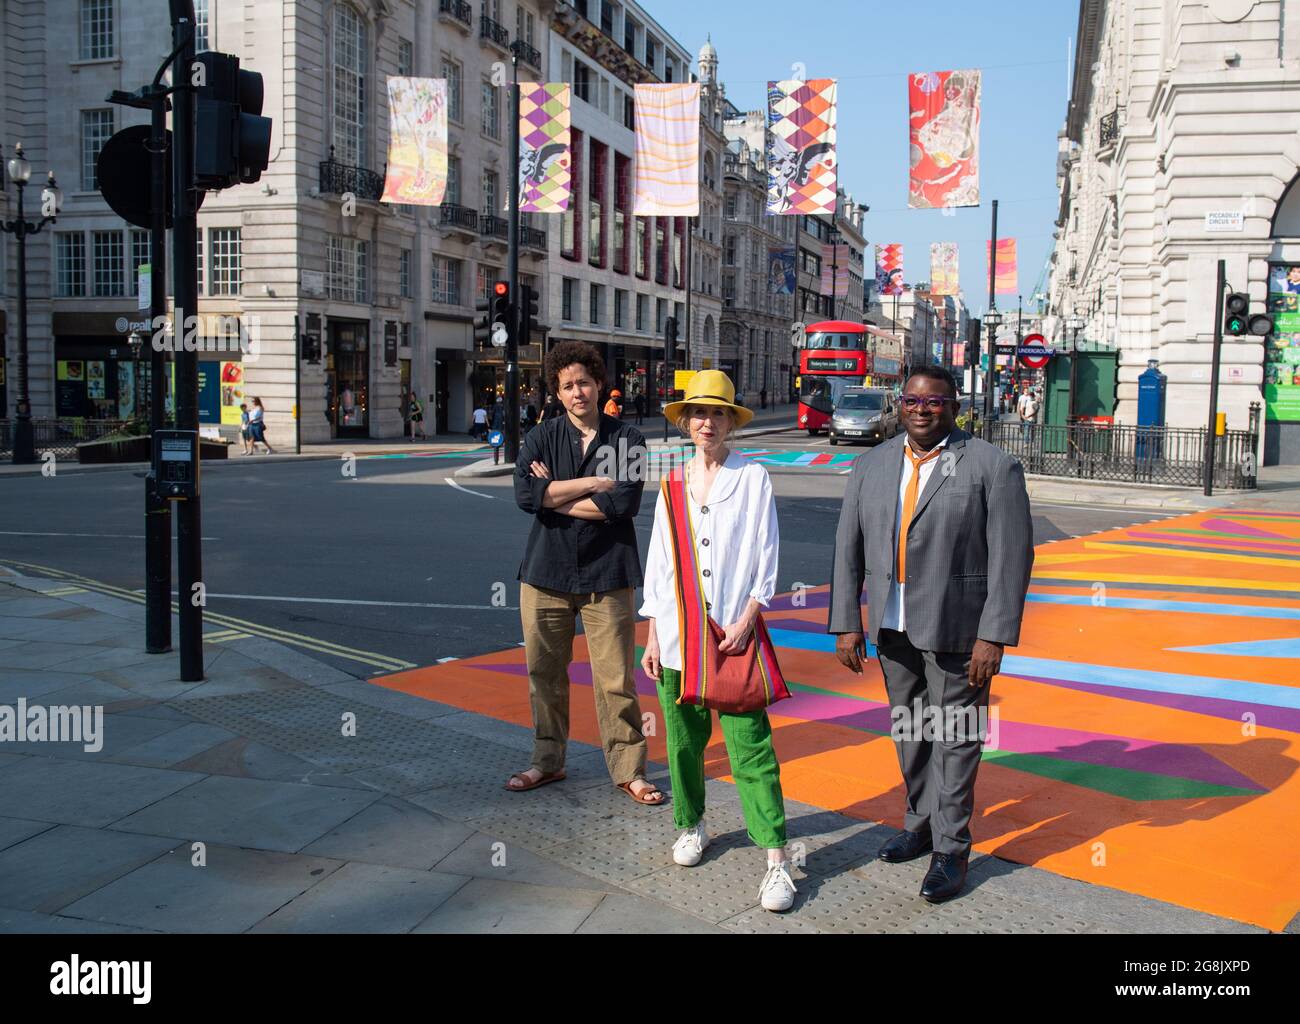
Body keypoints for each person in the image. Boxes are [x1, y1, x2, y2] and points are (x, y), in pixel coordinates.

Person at [828, 366, 1034, 903]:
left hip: (960, 630)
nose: (922, 409)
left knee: (956, 736)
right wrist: (847, 620)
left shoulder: (992, 465)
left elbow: (1013, 558)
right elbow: (847, 548)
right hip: (892, 628)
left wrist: (995, 635)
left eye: (935, 401)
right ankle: (919, 826)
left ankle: (952, 849)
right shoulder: (871, 465)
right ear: (900, 404)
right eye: (913, 400)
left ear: (954, 406)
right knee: (911, 729)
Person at [640, 370, 797, 913]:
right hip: (681, 636)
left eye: (718, 413)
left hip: (732, 637)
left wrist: (750, 617)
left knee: (750, 747)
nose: (707, 422)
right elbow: (660, 564)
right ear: (686, 423)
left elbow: (766, 552)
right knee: (682, 744)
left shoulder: (752, 478)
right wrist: (655, 634)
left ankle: (777, 860)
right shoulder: (672, 482)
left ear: (732, 422)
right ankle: (691, 825)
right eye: (697, 414)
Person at [509, 341, 664, 807]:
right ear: (557, 393)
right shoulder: (540, 437)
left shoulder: (629, 440)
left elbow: (624, 504)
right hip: (544, 574)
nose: (578, 392)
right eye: (567, 386)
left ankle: (629, 770)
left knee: (615, 679)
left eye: (584, 383)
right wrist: (594, 483)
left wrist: (551, 493)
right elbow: (522, 494)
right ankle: (547, 761)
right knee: (544, 673)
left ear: (600, 384)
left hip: (608, 574)